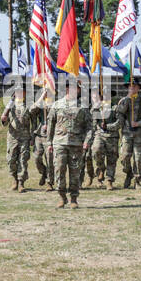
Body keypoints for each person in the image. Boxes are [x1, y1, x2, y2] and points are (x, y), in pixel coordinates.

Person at [48, 78, 92, 207]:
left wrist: (86, 141)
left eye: (77, 88)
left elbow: (89, 126)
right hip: (59, 143)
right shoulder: (56, 105)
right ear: (66, 89)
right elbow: (51, 125)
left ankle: (74, 198)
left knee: (75, 172)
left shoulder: (83, 107)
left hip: (76, 144)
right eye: (72, 88)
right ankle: (62, 197)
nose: (75, 90)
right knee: (59, 170)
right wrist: (49, 143)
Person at [115, 78, 141, 188]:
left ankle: (137, 179)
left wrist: (139, 123)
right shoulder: (123, 100)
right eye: (130, 86)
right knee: (124, 157)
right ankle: (128, 173)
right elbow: (119, 112)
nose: (132, 88)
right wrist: (127, 99)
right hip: (127, 133)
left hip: (139, 134)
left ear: (139, 88)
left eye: (135, 86)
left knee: (138, 157)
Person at [1, 87, 37, 190]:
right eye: (18, 92)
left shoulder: (29, 106)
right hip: (12, 137)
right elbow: (5, 121)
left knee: (23, 160)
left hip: (25, 137)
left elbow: (33, 123)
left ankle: (21, 182)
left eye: (22, 92)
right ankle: (14, 180)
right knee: (11, 159)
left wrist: (32, 137)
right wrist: (4, 119)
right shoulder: (10, 106)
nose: (20, 93)